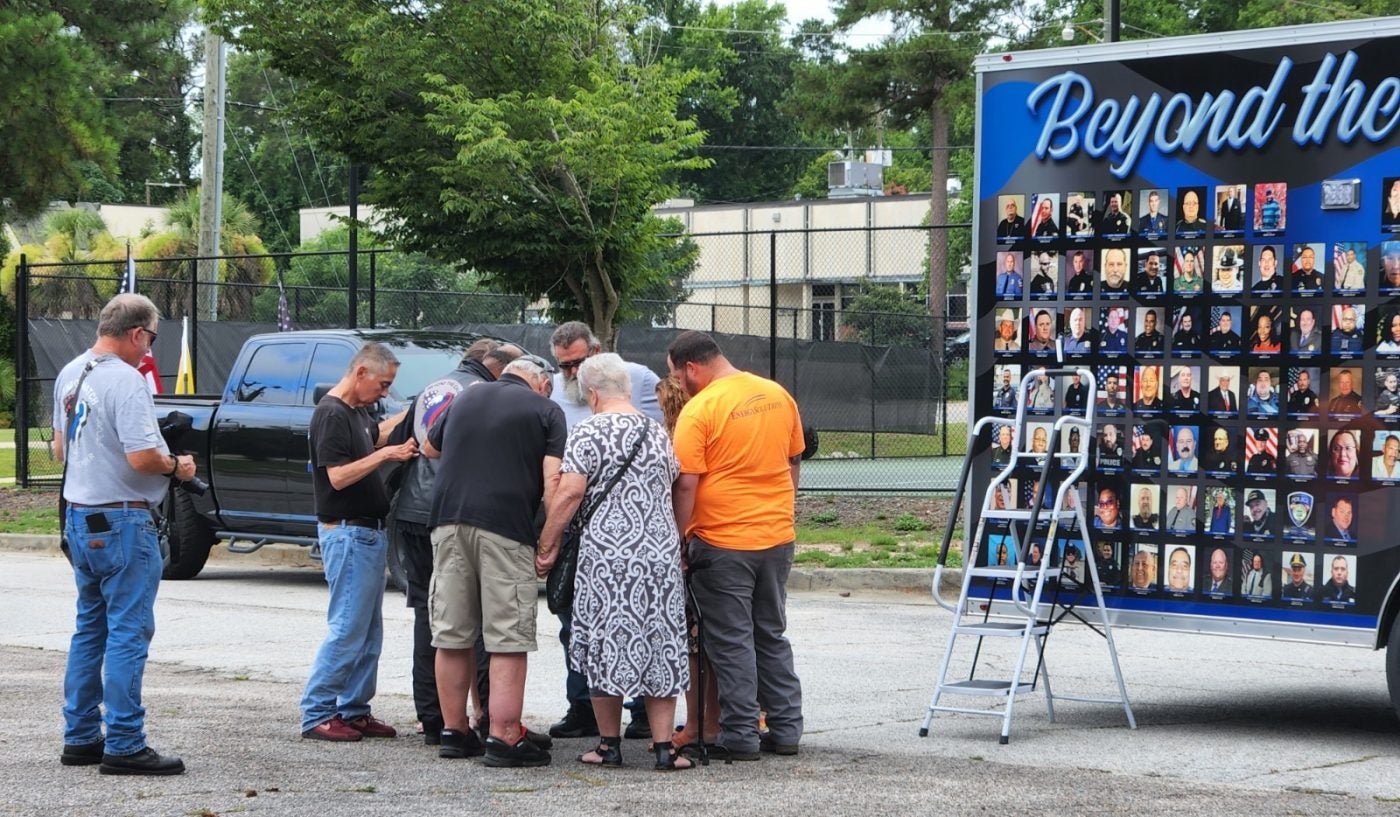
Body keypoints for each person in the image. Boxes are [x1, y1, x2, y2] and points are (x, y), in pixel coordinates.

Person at [51, 294, 196, 775]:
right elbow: (142, 458)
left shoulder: (72, 372)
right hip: (123, 520)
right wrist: (177, 465)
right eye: (151, 339)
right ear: (137, 334)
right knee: (128, 632)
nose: (150, 351)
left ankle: (81, 735)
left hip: (80, 515)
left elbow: (59, 450)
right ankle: (126, 742)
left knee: (90, 628)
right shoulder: (128, 381)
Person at [536, 354, 692, 771]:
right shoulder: (658, 433)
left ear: (591, 393)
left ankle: (608, 746)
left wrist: (548, 545)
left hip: (606, 557)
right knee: (658, 641)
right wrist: (674, 538)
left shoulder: (587, 431)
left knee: (604, 644)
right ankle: (663, 748)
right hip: (658, 556)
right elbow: (679, 487)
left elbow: (569, 494)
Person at [668, 331, 806, 760]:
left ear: (692, 368)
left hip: (722, 540)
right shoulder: (776, 394)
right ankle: (785, 731)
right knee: (771, 634)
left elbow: (687, 483)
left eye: (676, 376)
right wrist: (784, 511)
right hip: (776, 536)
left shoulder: (700, 409)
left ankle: (741, 736)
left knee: (731, 641)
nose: (677, 385)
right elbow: (793, 460)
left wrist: (679, 538)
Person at [424, 357, 565, 767]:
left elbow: (431, 447)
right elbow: (553, 480)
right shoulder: (545, 410)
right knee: (507, 634)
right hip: (506, 528)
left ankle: (454, 731)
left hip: (447, 522)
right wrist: (549, 541)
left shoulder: (466, 397)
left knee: (452, 632)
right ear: (540, 383)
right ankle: (504, 736)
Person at [392, 339, 522, 749]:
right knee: (479, 619)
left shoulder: (432, 388)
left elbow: (404, 443)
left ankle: (435, 720)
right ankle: (487, 718)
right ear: (496, 368)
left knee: (429, 616)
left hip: (414, 510)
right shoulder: (482, 396)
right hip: (457, 511)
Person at [546, 322, 662, 741]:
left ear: (596, 351)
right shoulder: (556, 391)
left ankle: (644, 711)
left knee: (639, 619)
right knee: (574, 620)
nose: (572, 372)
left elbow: (659, 442)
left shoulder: (635, 379)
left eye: (578, 362)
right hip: (577, 525)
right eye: (564, 365)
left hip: (627, 523)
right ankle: (583, 708)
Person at [301, 342, 419, 744]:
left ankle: (354, 709)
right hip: (348, 532)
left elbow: (376, 434)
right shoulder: (331, 414)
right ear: (361, 373)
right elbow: (337, 476)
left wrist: (417, 412)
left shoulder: (357, 412)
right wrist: (386, 455)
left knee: (368, 631)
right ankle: (317, 711)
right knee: (348, 628)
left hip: (366, 533)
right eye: (383, 384)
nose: (384, 393)